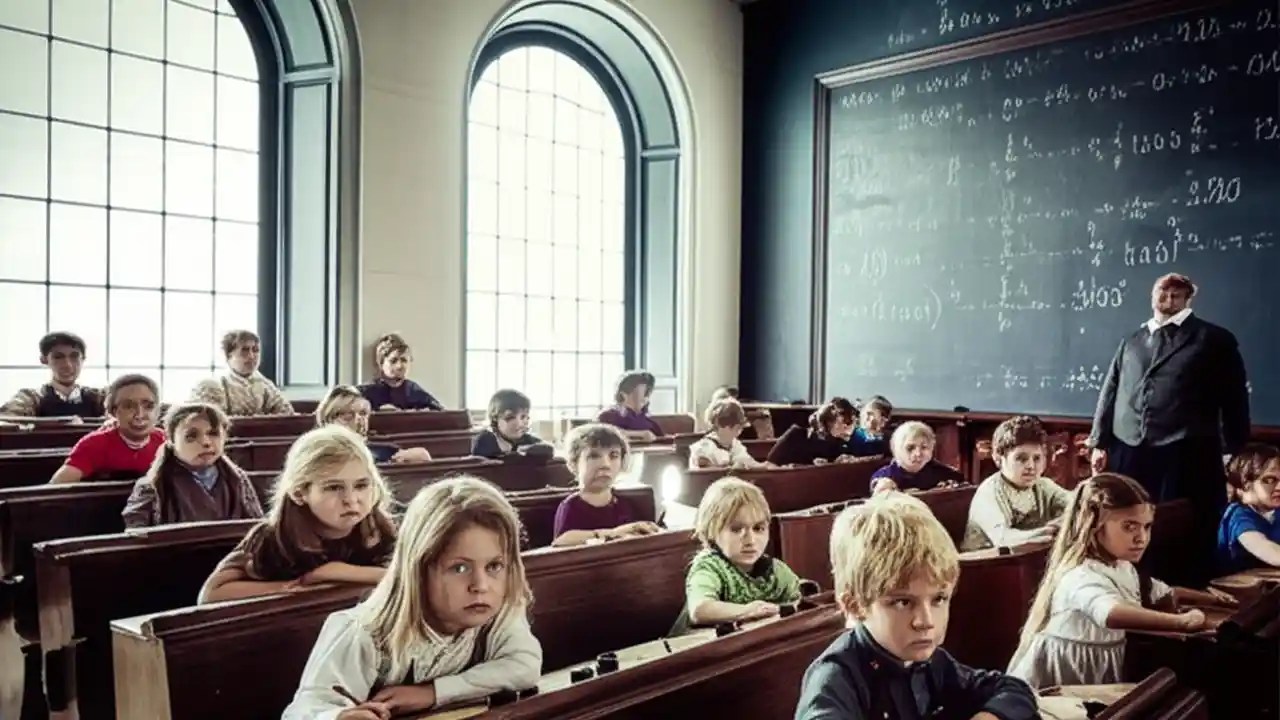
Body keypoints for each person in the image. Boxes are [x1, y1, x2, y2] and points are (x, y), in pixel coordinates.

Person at [281, 477, 541, 719]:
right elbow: (303, 711)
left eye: (494, 566)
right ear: (418, 569)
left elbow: (524, 666)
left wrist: (434, 692)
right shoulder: (363, 633)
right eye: (460, 568)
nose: (481, 586)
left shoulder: (495, 612)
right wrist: (338, 716)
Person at [794, 492, 1039, 720]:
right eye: (903, 602)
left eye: (938, 599)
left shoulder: (931, 661)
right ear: (855, 605)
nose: (926, 621)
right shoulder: (834, 681)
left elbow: (1012, 689)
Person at [1087, 273, 1249, 583]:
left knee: (1178, 527)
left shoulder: (1213, 339)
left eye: (1177, 294)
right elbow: (1111, 389)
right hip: (1129, 449)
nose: (1168, 299)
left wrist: (1233, 450)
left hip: (1186, 450)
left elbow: (1234, 398)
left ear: (1189, 298)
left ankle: (1176, 591)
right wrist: (1099, 441)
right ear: (1152, 296)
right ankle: (1129, 586)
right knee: (1125, 520)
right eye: (1163, 292)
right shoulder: (1132, 340)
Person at [1008, 474, 1237, 688]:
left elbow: (1165, 592)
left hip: (1096, 672)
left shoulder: (1121, 565)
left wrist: (1213, 599)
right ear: (1093, 525)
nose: (1142, 538)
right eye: (1129, 527)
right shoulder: (1080, 574)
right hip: (1056, 685)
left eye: (1147, 527)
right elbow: (1110, 612)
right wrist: (1181, 622)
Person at [198, 425, 397, 603]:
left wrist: (333, 572)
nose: (351, 500)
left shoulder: (380, 528)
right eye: (334, 487)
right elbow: (211, 594)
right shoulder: (273, 537)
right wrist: (294, 587)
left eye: (361, 485)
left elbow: (403, 576)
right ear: (299, 493)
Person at [670, 477, 800, 635]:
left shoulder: (775, 570)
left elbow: (801, 599)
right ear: (711, 532)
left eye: (758, 528)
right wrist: (749, 610)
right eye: (736, 529)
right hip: (696, 645)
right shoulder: (709, 566)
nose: (750, 540)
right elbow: (700, 609)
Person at [122, 403, 263, 528]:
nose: (206, 442)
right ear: (171, 441)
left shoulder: (238, 479)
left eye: (213, 433)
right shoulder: (152, 486)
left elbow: (256, 528)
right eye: (191, 436)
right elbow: (137, 537)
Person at [961, 416, 1071, 551]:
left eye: (1037, 458)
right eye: (1021, 459)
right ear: (999, 459)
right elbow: (1002, 539)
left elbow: (1077, 504)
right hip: (987, 561)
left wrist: (1066, 520)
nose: (1031, 466)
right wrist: (1049, 532)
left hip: (1028, 559)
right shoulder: (989, 493)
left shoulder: (1044, 486)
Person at [551, 423, 662, 546]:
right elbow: (561, 542)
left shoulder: (626, 505)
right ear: (573, 464)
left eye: (614, 456)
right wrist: (614, 533)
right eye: (594, 456)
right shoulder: (570, 507)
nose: (605, 464)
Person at [48, 374, 164, 483]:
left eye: (149, 406)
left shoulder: (166, 442)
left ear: (158, 411)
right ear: (113, 411)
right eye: (128, 406)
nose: (139, 415)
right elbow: (56, 488)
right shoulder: (93, 444)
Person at [315, 385, 431, 464]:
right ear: (328, 420)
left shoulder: (384, 451)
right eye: (348, 415)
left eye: (363, 414)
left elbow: (422, 456)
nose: (358, 421)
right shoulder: (316, 454)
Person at [0, 331, 104, 420]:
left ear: (83, 359)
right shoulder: (31, 398)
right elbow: (7, 419)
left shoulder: (99, 398)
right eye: (58, 357)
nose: (67, 365)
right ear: (44, 360)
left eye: (74, 357)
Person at [190, 329, 294, 416]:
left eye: (255, 350)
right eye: (245, 350)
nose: (252, 356)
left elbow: (287, 414)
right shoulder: (212, 385)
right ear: (228, 355)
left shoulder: (266, 385)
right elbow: (210, 421)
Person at [1217, 443, 1280, 572]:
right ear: (1245, 484)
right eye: (1269, 480)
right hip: (1240, 583)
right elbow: (1264, 548)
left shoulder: (1275, 511)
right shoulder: (1240, 516)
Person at [869, 421, 965, 493]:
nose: (918, 453)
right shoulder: (885, 476)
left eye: (924, 447)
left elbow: (963, 486)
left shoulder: (943, 473)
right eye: (910, 448)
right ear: (896, 450)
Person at [358, 333, 445, 411]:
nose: (399, 366)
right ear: (381, 364)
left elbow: (442, 414)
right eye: (393, 361)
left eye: (404, 360)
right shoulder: (366, 393)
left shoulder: (414, 391)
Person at [766, 397, 856, 466]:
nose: (848, 428)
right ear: (829, 421)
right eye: (845, 422)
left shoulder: (841, 443)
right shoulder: (796, 435)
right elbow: (770, 464)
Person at [687, 398, 766, 470]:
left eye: (739, 428)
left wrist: (764, 466)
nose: (738, 432)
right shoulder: (704, 448)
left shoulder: (734, 444)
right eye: (733, 428)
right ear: (719, 425)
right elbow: (706, 473)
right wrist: (731, 469)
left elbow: (747, 461)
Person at [470, 389, 550, 459]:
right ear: (495, 418)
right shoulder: (484, 440)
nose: (519, 423)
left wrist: (529, 450)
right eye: (510, 417)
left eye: (523, 417)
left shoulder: (527, 439)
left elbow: (548, 449)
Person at [595, 369, 664, 441]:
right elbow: (601, 432)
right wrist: (640, 434)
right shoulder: (608, 416)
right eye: (644, 392)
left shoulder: (651, 424)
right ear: (623, 395)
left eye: (647, 393)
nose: (645, 397)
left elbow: (663, 440)